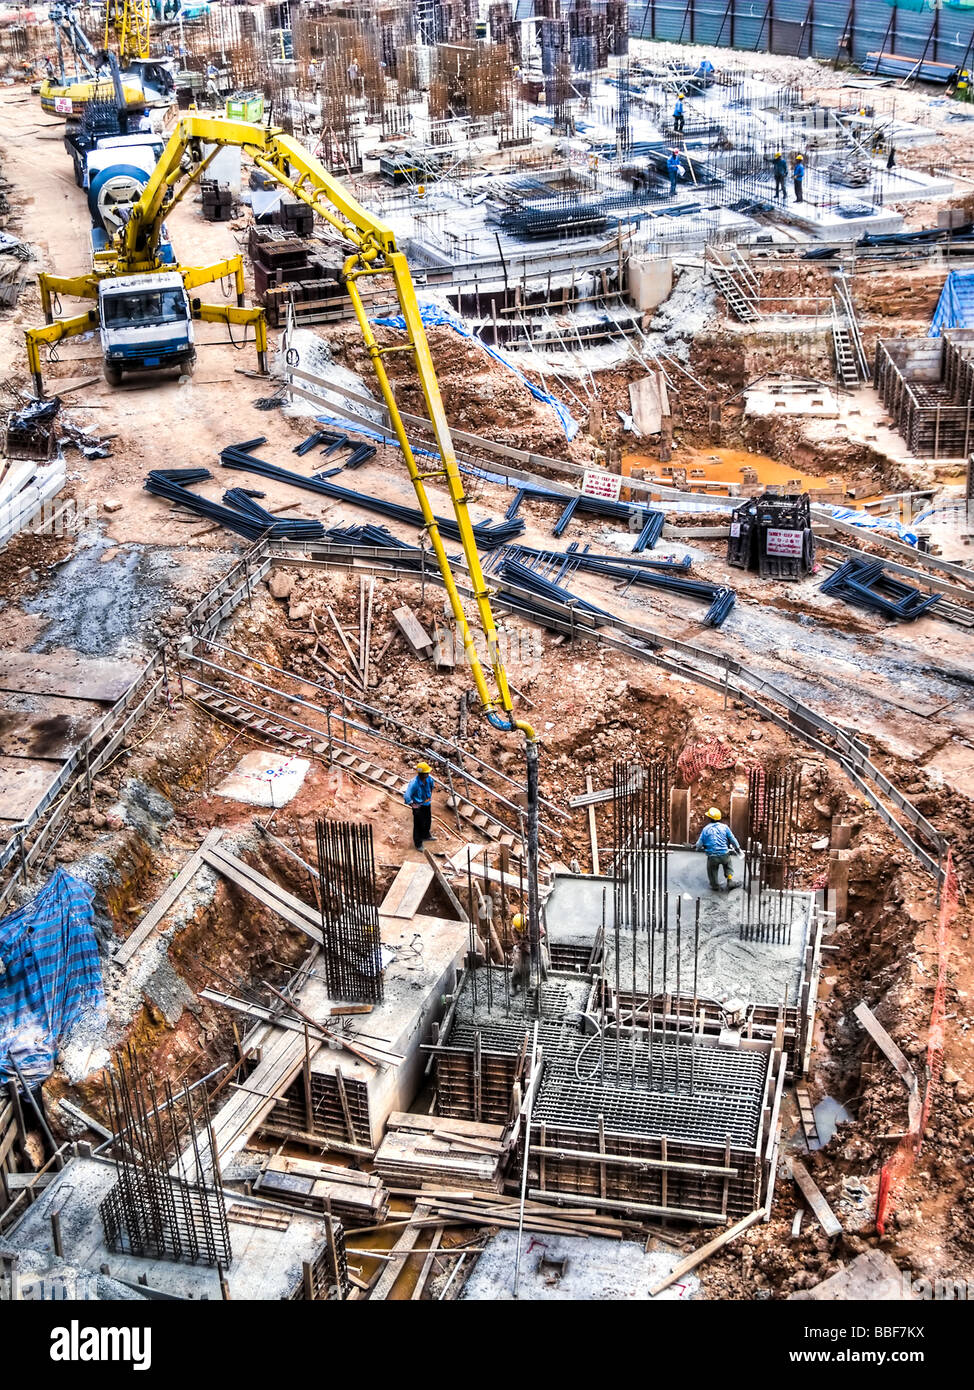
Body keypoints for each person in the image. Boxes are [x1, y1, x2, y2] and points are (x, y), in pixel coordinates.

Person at [694, 807, 741, 892]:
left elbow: (699, 844)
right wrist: (737, 848)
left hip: (712, 857)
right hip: (724, 854)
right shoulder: (725, 827)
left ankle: (715, 885)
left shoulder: (706, 829)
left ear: (710, 818)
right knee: (728, 865)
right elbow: (732, 839)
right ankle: (730, 880)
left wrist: (695, 847)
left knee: (712, 870)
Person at [403, 761, 435, 850]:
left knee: (427, 821)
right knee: (418, 825)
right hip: (418, 807)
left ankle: (426, 835)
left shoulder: (429, 779)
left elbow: (432, 787)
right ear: (421, 774)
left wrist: (428, 798)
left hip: (427, 804)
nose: (428, 774)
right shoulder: (414, 783)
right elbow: (407, 795)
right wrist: (413, 805)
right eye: (426, 773)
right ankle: (418, 844)